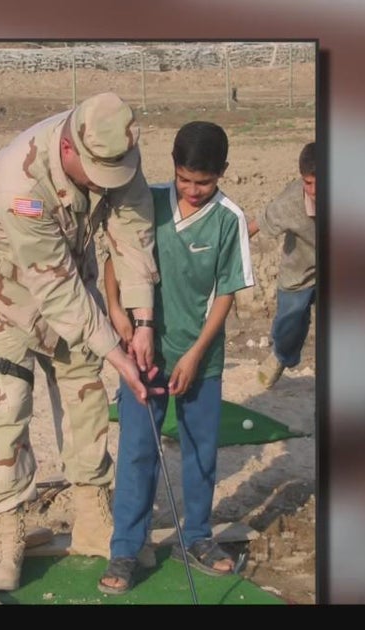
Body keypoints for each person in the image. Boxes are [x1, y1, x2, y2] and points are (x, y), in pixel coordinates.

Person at [0, 92, 161, 592]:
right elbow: (54, 287)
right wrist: (115, 349)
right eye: (97, 174)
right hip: (0, 295)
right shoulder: (18, 184)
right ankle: (8, 530)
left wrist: (144, 318)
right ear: (70, 149)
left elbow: (133, 234)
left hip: (70, 277)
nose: (106, 183)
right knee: (8, 411)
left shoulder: (115, 148)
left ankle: (92, 517)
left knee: (86, 394)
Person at [97, 121, 254, 595]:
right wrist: (117, 315)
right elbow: (114, 262)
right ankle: (126, 548)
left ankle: (199, 537)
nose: (192, 189)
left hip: (200, 361)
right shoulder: (149, 202)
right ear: (174, 168)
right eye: (185, 178)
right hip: (143, 355)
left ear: (222, 173)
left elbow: (226, 295)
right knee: (138, 452)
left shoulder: (230, 219)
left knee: (201, 451)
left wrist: (194, 355)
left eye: (203, 182)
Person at [249, 142, 317, 389]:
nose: (315, 191)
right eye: (309, 183)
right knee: (290, 321)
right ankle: (280, 356)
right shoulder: (291, 202)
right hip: (298, 270)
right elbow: (256, 225)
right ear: (302, 180)